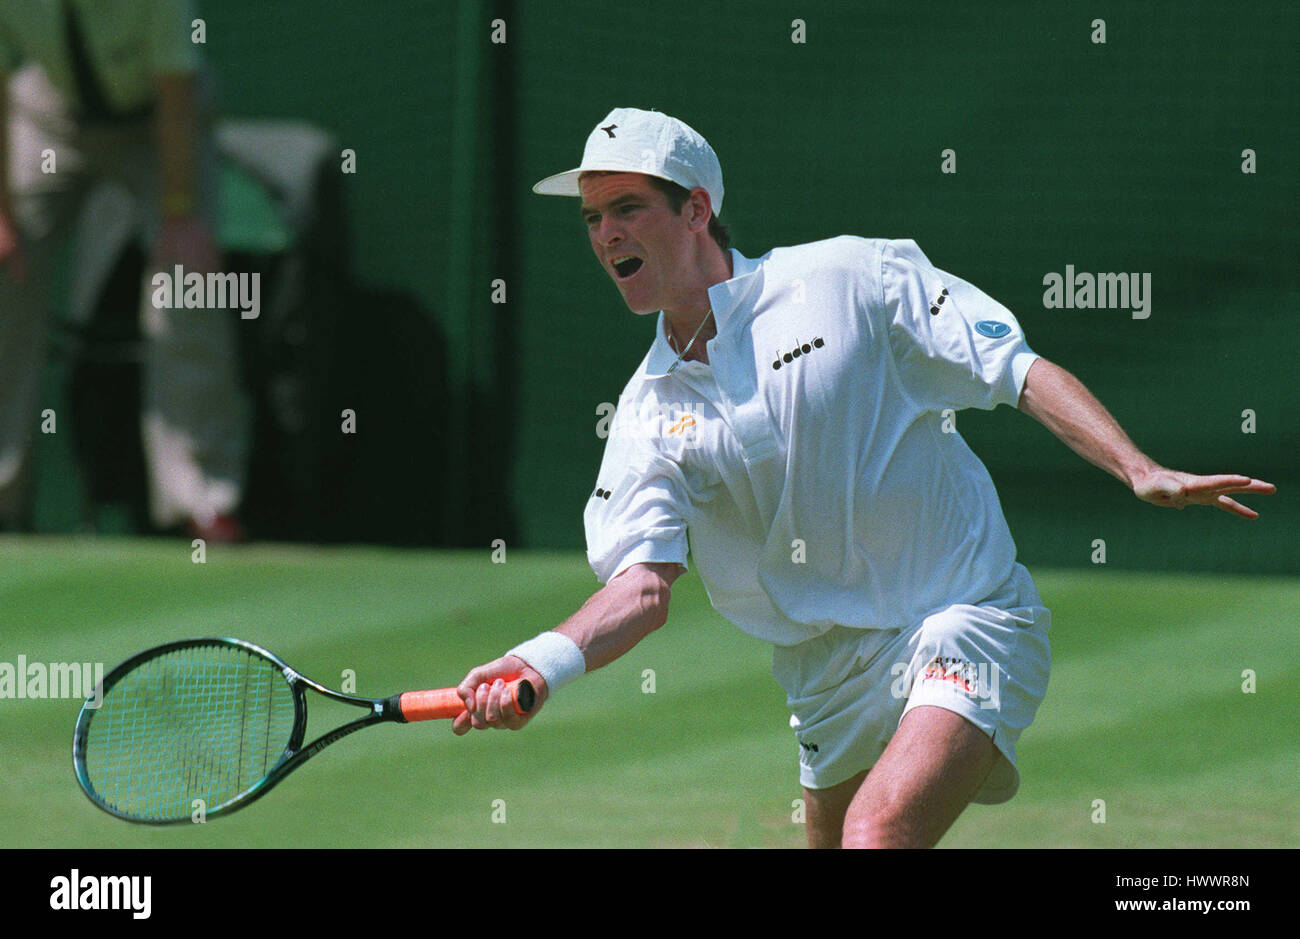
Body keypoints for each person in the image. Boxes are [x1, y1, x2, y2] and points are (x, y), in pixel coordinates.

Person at [452, 107, 1275, 848]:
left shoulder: (849, 280)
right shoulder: (644, 411)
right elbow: (642, 589)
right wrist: (537, 660)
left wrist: (1138, 467)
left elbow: (1011, 368)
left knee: (877, 833)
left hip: (965, 614)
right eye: (594, 217)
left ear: (695, 208)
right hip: (825, 674)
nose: (605, 235)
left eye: (628, 208)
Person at [0, 0, 247, 541]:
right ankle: (4, 496)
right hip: (48, 110)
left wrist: (180, 215)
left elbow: (175, 88)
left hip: (160, 120)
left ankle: (201, 498)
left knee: (189, 282)